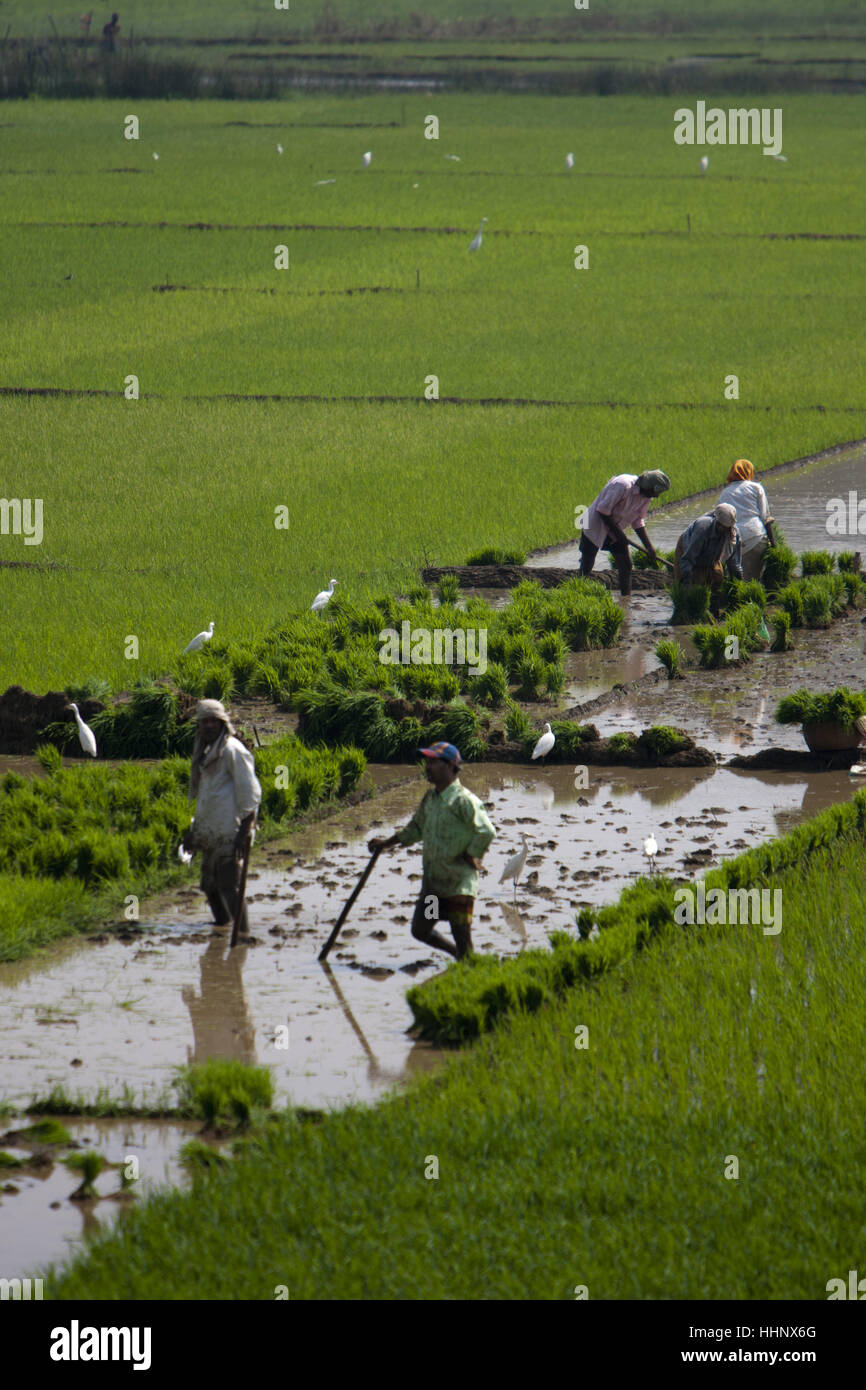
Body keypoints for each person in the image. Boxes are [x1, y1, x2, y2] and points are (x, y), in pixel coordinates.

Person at [368, 742, 496, 961]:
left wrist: (471, 854)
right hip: (434, 886)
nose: (427, 766)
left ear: (450, 766)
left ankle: (470, 974)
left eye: (433, 762)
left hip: (458, 885)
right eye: (426, 761)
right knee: (421, 929)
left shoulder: (464, 801)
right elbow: (416, 828)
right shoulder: (430, 799)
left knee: (462, 936)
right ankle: (458, 958)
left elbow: (486, 830)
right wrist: (386, 843)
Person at [181, 699, 261, 936]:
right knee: (209, 887)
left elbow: (250, 792)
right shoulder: (206, 751)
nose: (209, 726)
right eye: (204, 721)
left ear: (222, 723)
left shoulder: (232, 751)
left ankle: (242, 935)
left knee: (229, 887)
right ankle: (223, 928)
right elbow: (208, 798)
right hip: (211, 831)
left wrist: (245, 831)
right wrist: (195, 833)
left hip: (231, 831)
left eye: (213, 721)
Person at [578, 470, 671, 595]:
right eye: (656, 492)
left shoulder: (646, 496)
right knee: (587, 561)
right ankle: (577, 591)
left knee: (626, 565)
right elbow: (602, 510)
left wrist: (648, 546)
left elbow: (638, 520)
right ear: (648, 486)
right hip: (595, 524)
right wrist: (619, 535)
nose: (657, 496)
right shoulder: (622, 485)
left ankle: (625, 599)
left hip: (615, 529)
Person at [673, 502, 743, 615]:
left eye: (725, 527)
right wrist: (687, 579)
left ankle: (713, 611)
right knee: (691, 584)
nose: (721, 528)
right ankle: (686, 613)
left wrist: (739, 584)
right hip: (687, 550)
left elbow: (734, 563)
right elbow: (689, 557)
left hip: (712, 555)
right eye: (719, 525)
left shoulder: (733, 535)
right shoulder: (703, 527)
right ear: (716, 519)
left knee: (717, 577)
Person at [717, 459, 776, 581]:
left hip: (733, 541)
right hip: (756, 536)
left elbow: (720, 520)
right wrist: (774, 545)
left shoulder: (725, 493)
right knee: (754, 579)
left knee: (735, 581)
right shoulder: (756, 488)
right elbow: (765, 518)